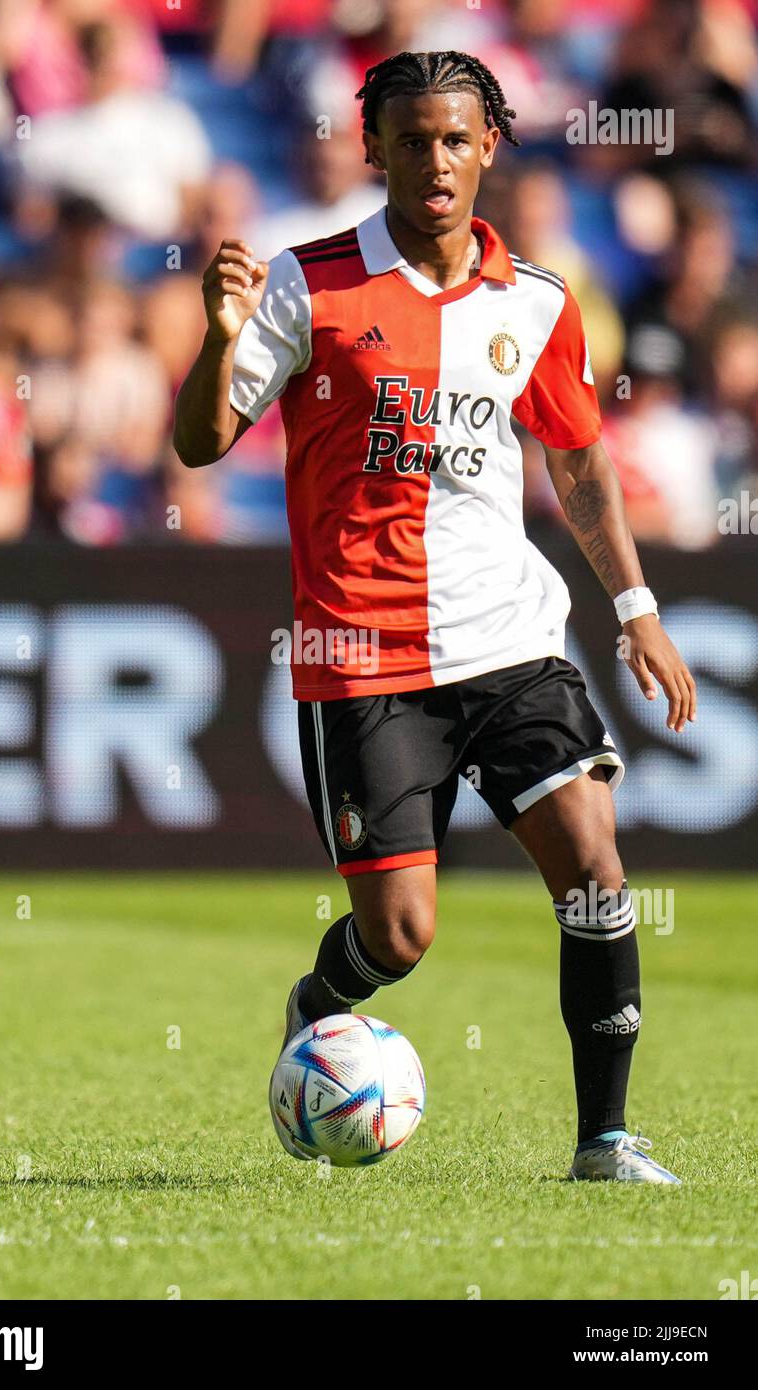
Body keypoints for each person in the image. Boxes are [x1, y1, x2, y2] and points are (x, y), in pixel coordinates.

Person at [173, 50, 697, 1184]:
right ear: (374, 151)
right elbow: (200, 443)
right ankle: (319, 1002)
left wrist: (635, 608)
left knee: (596, 871)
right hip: (360, 655)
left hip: (510, 639)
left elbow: (578, 463)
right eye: (410, 141)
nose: (434, 162)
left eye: (454, 139)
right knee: (398, 936)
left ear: (488, 147)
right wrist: (217, 339)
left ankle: (603, 1141)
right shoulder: (310, 282)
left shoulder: (538, 301)